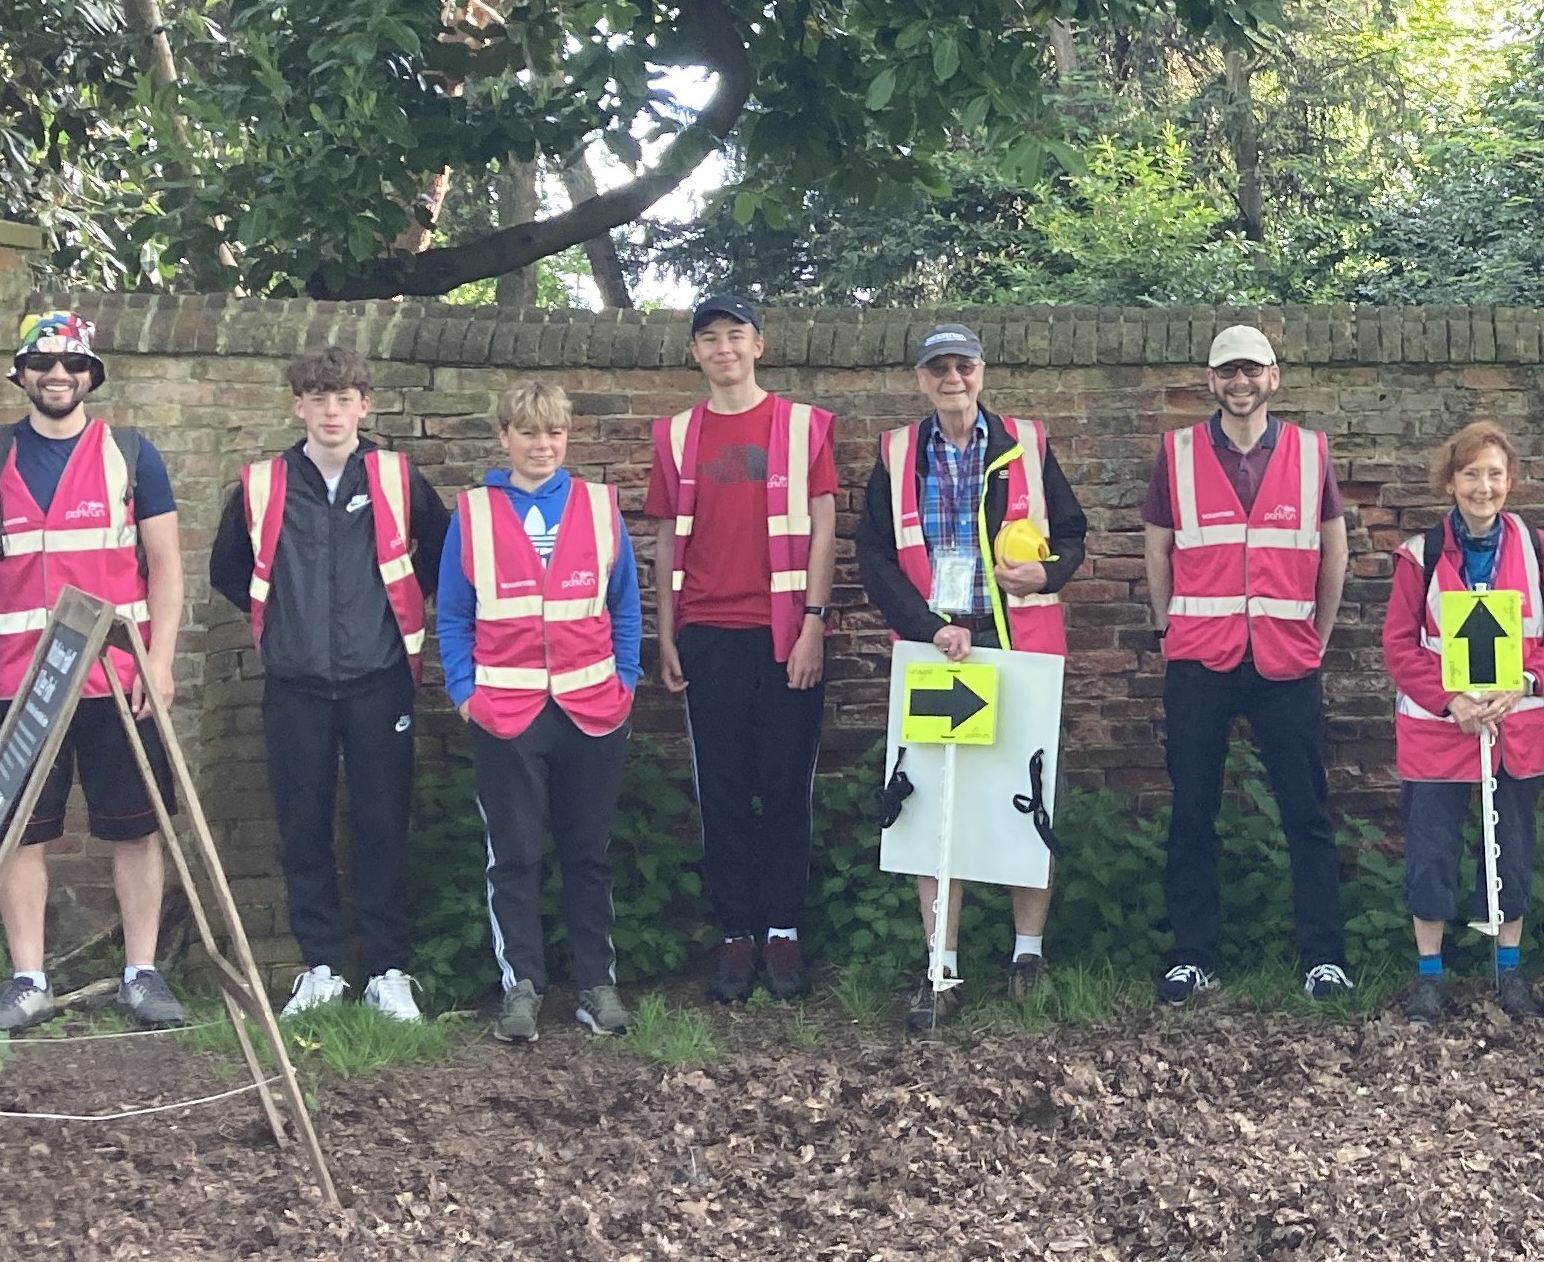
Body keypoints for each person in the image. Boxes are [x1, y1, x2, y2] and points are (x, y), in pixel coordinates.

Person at [854, 322, 1089, 1028]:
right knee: (931, 808)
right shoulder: (897, 453)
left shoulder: (1028, 442)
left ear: (981, 372)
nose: (951, 378)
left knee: (1028, 800)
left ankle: (1026, 956)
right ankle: (942, 968)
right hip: (936, 650)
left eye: (962, 366)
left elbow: (1075, 536)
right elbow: (874, 558)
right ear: (921, 379)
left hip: (1019, 643)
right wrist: (930, 627)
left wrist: (1045, 572)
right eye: (938, 369)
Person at [208, 344, 448, 1022]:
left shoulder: (398, 477)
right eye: (318, 397)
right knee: (301, 826)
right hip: (295, 682)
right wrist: (286, 624)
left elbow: (442, 553)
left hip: (380, 677)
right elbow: (228, 571)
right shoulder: (262, 484)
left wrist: (383, 616)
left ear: (365, 405)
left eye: (344, 398)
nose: (332, 410)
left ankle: (387, 969)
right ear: (298, 405)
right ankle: (321, 968)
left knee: (381, 824)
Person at [0, 312, 190, 1032]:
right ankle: (27, 979)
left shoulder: (131, 453)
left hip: (116, 680)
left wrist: (158, 662)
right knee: (19, 833)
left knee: (135, 828)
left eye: (70, 365)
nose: (55, 375)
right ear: (21, 372)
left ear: (90, 374)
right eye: (41, 362)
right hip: (14, 680)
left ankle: (142, 972)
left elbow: (167, 567)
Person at [1143, 323, 1353, 1005]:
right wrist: (1164, 625)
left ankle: (1323, 957)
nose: (1239, 383)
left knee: (1307, 812)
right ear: (1210, 380)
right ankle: (1192, 954)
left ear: (1273, 376)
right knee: (1191, 811)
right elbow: (1157, 548)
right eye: (1226, 371)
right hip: (1199, 658)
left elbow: (1333, 551)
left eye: (1251, 370)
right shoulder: (1175, 454)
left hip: (1286, 660)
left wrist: (1315, 635)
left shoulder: (1308, 451)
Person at [648, 293, 840, 1004]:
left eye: (736, 335)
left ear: (760, 344)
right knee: (722, 790)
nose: (723, 348)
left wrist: (814, 623)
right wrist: (666, 631)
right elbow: (667, 537)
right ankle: (735, 934)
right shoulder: (673, 434)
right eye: (709, 337)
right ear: (694, 352)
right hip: (707, 635)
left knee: (787, 787)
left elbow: (824, 527)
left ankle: (783, 931)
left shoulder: (803, 426)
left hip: (786, 633)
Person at [438, 378, 643, 1044]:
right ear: (504, 436)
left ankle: (595, 984)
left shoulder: (597, 504)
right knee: (516, 854)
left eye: (553, 432)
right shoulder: (472, 513)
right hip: (507, 711)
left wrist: (627, 681)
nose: (542, 444)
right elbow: (452, 614)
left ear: (567, 434)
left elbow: (626, 606)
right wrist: (465, 692)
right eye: (528, 432)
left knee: (588, 853)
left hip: (593, 708)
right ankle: (520, 986)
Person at [1382, 422, 1544, 1026]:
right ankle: (1430, 978)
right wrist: (1451, 701)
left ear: (1510, 481)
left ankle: (1510, 970)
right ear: (1450, 481)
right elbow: (1398, 646)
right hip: (1439, 730)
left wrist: (1524, 683)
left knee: (1511, 851)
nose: (1483, 486)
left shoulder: (1538, 549)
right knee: (1431, 851)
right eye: (1471, 473)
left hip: (1516, 725)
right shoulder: (1419, 555)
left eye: (1494, 473)